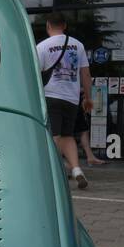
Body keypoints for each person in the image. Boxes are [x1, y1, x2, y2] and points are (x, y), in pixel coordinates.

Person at [36, 12, 92, 189]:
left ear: (48, 26)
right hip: (72, 99)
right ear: (65, 25)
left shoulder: (42, 46)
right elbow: (85, 74)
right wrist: (88, 98)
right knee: (67, 136)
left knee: (53, 137)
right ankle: (76, 170)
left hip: (51, 95)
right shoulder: (78, 45)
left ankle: (54, 174)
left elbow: (35, 75)